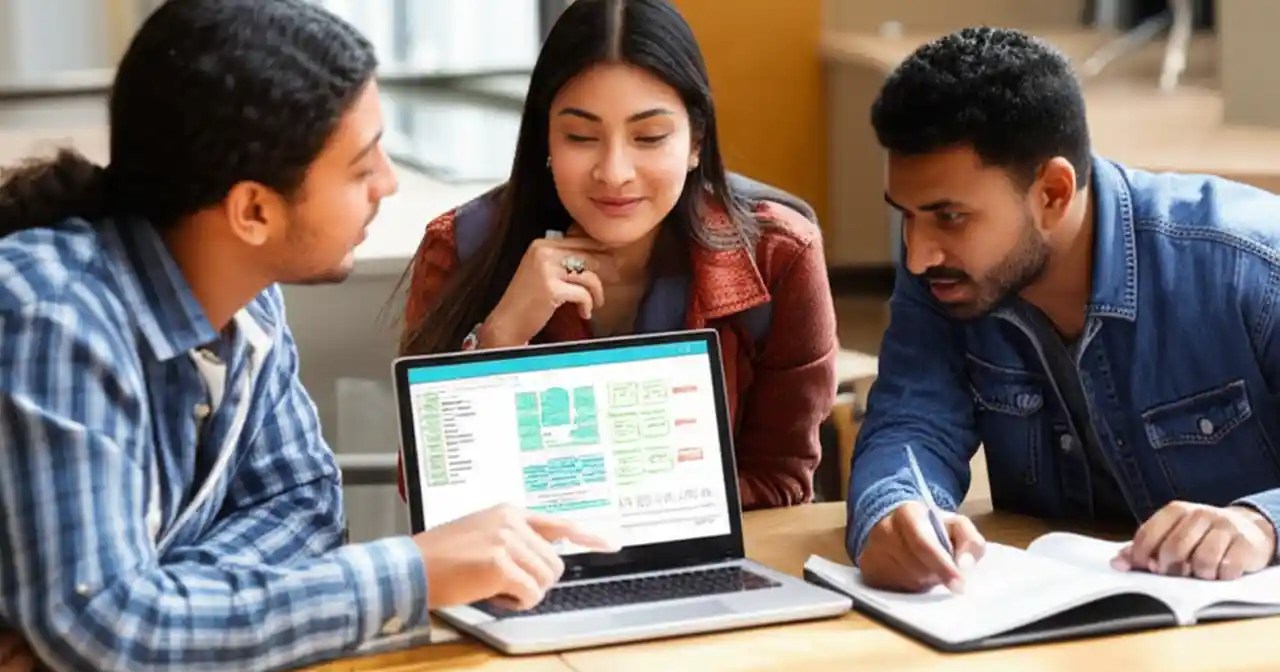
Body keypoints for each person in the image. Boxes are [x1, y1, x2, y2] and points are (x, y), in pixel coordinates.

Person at [0, 0, 610, 672]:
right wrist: (412, 573)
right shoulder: (53, 315)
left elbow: (304, 505)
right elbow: (112, 629)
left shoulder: (246, 292)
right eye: (359, 168)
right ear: (254, 211)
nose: (389, 182)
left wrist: (150, 612)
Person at [848, 27, 1280, 594]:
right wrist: (894, 509)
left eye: (949, 216)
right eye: (904, 215)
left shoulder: (1248, 264)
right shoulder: (945, 275)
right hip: (1059, 639)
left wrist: (1261, 523)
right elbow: (911, 422)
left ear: (1053, 192)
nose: (918, 252)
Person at [395, 0, 838, 511]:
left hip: (705, 563)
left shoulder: (779, 256)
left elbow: (782, 480)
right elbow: (426, 491)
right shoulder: (462, 248)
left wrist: (622, 513)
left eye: (649, 137)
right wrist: (500, 334)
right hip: (526, 572)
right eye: (580, 137)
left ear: (696, 141)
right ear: (546, 138)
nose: (614, 172)